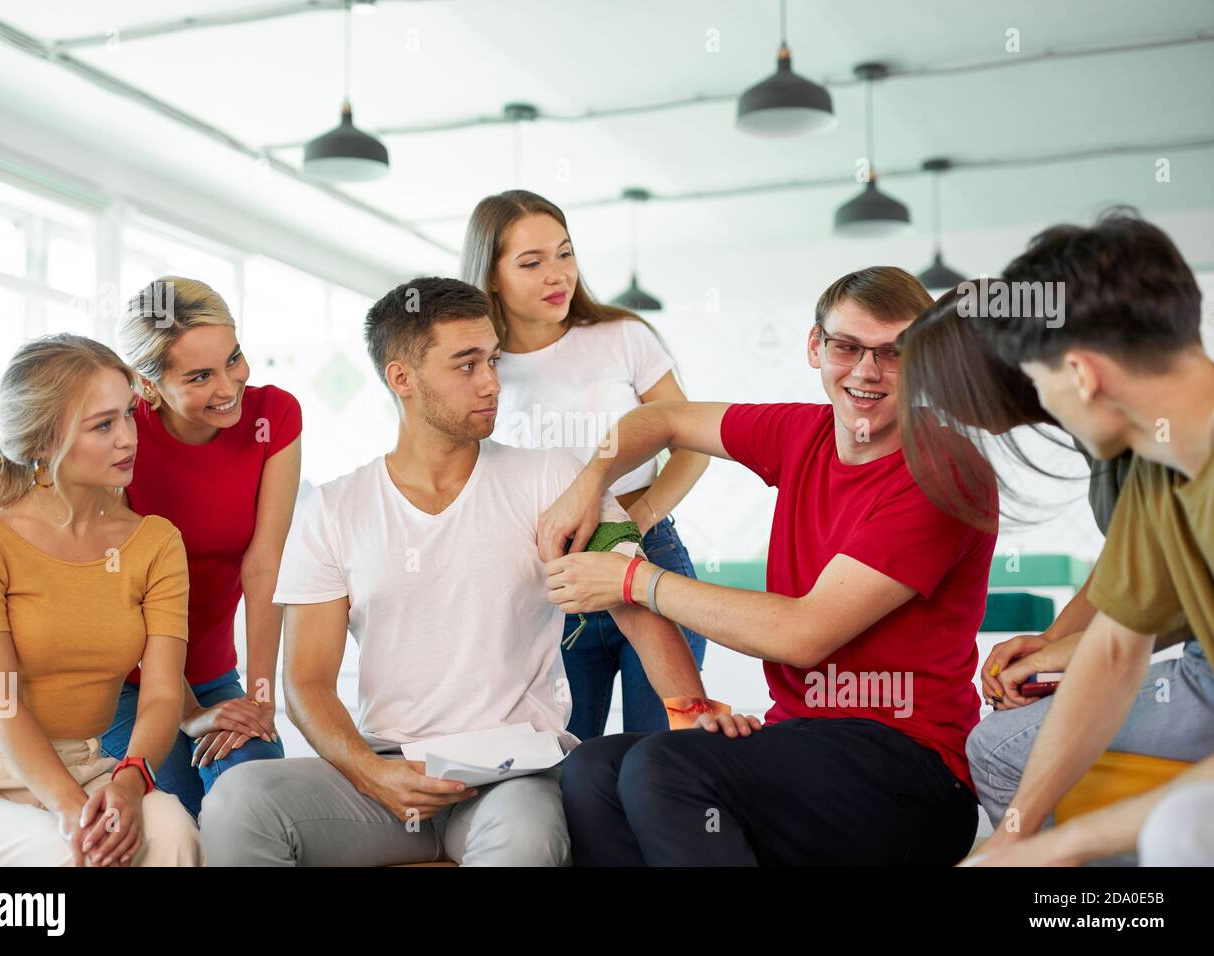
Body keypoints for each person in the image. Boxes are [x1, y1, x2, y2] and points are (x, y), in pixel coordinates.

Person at [199, 277, 725, 866]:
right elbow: (307, 682)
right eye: (467, 365)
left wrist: (695, 713)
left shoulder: (554, 477)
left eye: (494, 360)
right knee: (238, 800)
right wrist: (370, 773)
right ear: (402, 378)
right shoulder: (335, 509)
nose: (492, 383)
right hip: (390, 774)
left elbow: (636, 613)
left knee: (526, 837)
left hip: (514, 776)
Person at [544, 267, 996, 865]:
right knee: (592, 769)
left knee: (663, 765)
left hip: (915, 771)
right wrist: (592, 479)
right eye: (848, 346)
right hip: (803, 739)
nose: (867, 371)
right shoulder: (797, 432)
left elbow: (802, 634)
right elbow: (665, 420)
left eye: (895, 353)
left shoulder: (944, 473)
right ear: (816, 347)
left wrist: (634, 579)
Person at [896, 286, 1213, 834]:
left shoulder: (1154, 439)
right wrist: (1053, 642)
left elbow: (1173, 595)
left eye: (940, 385)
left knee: (997, 747)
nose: (937, 404)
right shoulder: (1106, 436)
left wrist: (1073, 652)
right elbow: (1131, 560)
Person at [966, 211, 1214, 866]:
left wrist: (1063, 845)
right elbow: (1112, 654)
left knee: (1176, 834)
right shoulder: (1161, 469)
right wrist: (1016, 837)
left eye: (1041, 382)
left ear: (1081, 373)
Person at [0, 334, 201, 866]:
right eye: (103, 425)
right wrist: (72, 809)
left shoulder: (156, 543)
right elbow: (1, 699)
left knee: (174, 831)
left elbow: (162, 695)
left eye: (128, 416)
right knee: (71, 854)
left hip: (85, 763)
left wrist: (132, 780)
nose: (128, 440)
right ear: (43, 443)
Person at [461, 190, 711, 738]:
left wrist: (634, 524)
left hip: (649, 556)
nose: (558, 275)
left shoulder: (623, 337)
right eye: (532, 262)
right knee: (567, 765)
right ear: (493, 276)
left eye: (565, 253)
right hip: (548, 581)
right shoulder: (480, 369)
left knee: (667, 752)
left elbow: (692, 445)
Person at [105, 277, 302, 818]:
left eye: (232, 359)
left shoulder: (274, 416)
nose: (228, 385)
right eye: (199, 376)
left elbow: (265, 565)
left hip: (215, 675)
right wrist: (186, 714)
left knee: (256, 808)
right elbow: (121, 592)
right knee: (183, 821)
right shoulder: (123, 441)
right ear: (148, 385)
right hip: (124, 683)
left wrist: (261, 699)